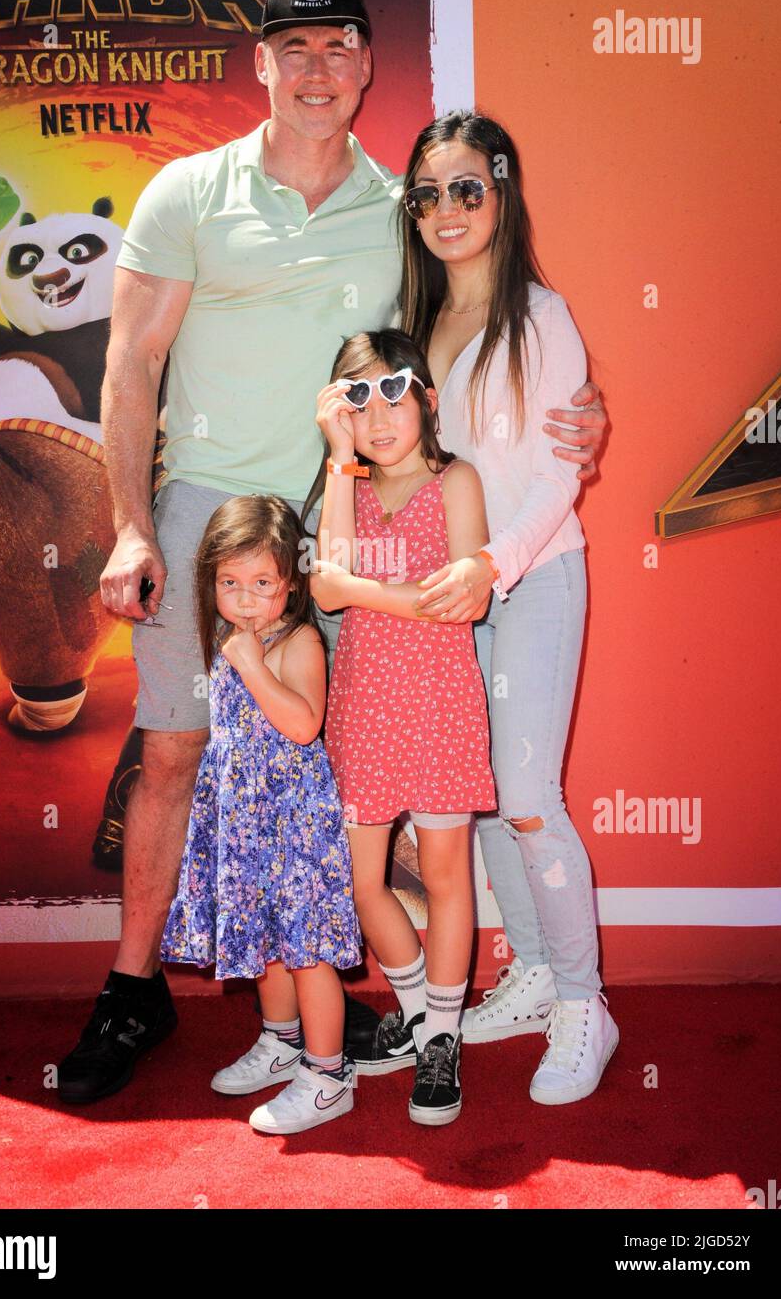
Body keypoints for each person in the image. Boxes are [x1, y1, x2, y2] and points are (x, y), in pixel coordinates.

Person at [56, 0, 607, 1107]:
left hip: (356, 524)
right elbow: (131, 361)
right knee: (176, 750)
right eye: (291, 47)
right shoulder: (187, 193)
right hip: (209, 511)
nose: (315, 68)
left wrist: (577, 416)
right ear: (258, 62)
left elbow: (471, 363)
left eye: (337, 46)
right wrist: (123, 522)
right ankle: (136, 987)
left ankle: (395, 1006)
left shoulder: (391, 215)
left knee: (361, 771)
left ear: (365, 67)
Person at [395, 110, 617, 1104]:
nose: (447, 209)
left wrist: (494, 563)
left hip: (531, 580)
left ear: (501, 193)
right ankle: (528, 969)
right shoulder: (412, 328)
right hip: (445, 596)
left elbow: (559, 478)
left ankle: (583, 1000)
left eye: (467, 189)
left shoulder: (542, 315)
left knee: (527, 795)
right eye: (428, 194)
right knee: (479, 793)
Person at [313, 329, 497, 1125]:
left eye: (393, 390)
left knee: (448, 875)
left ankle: (441, 1040)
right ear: (337, 414)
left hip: (440, 704)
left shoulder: (457, 481)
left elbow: (464, 597)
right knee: (363, 884)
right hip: (362, 707)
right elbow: (322, 593)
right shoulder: (342, 485)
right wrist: (335, 461)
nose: (377, 413)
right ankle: (425, 1018)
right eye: (356, 397)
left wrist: (360, 585)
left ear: (424, 396)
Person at [159, 494, 361, 1134]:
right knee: (266, 942)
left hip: (293, 822)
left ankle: (330, 1076)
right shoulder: (233, 638)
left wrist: (252, 666)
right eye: (229, 583)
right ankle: (281, 1041)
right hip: (245, 820)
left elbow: (303, 725)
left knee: (306, 950)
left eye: (262, 583)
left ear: (292, 582)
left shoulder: (296, 640)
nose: (245, 599)